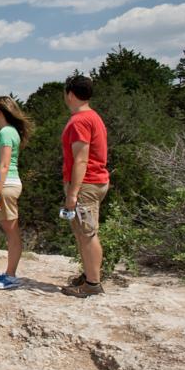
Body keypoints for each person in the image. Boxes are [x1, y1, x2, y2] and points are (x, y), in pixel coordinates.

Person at [59, 75, 109, 298]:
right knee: (82, 232)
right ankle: (89, 274)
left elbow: (81, 159)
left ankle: (92, 283)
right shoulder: (93, 117)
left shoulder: (79, 121)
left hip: (86, 184)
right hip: (94, 181)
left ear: (70, 94)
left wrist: (73, 193)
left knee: (87, 233)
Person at [0, 96, 34, 291]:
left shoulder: (6, 132)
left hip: (5, 186)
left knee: (11, 232)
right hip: (2, 186)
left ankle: (11, 275)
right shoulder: (9, 131)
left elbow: (4, 165)